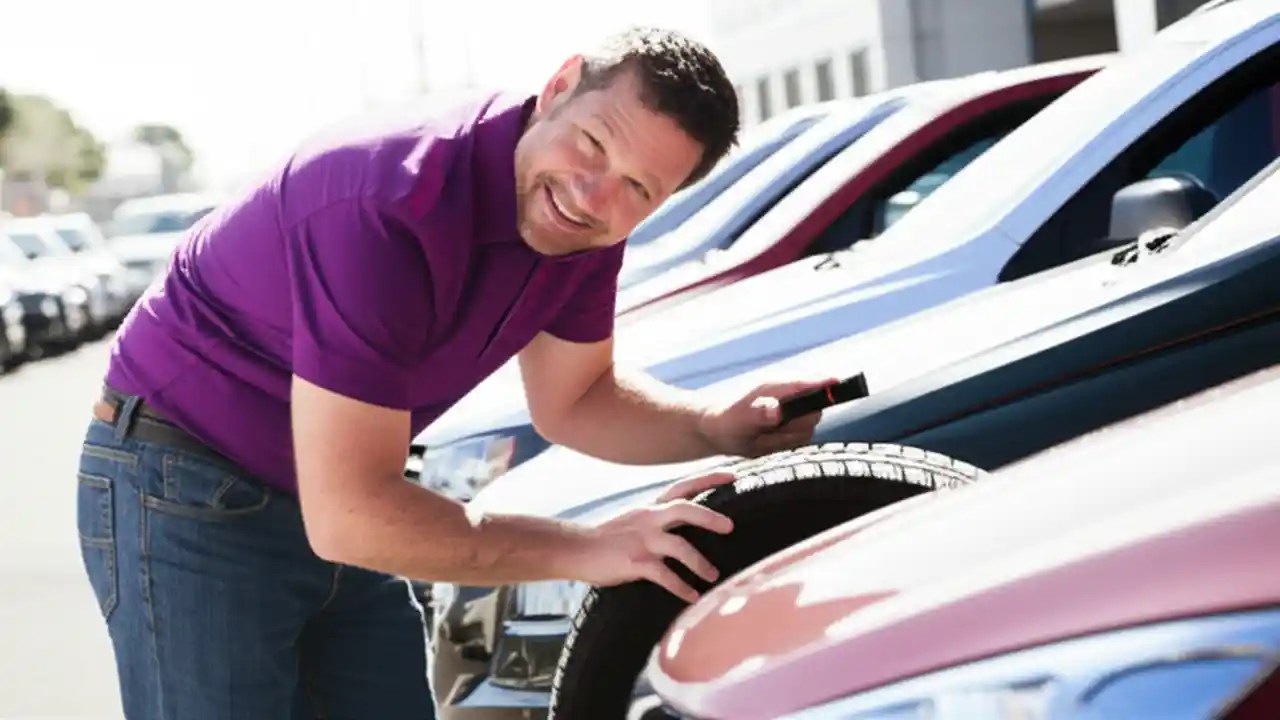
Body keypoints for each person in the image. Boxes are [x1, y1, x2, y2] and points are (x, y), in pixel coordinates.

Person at [76, 26, 835, 719]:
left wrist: (713, 427)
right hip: (183, 479)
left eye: (641, 188)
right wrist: (593, 547)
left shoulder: (582, 221)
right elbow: (352, 517)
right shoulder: (386, 199)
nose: (594, 193)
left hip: (340, 497)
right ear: (561, 84)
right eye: (594, 145)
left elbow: (575, 401)